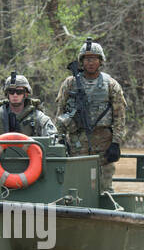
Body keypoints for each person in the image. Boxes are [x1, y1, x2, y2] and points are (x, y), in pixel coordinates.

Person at [54, 39, 127, 193]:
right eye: (87, 59)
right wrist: (60, 139)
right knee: (76, 188)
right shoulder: (70, 83)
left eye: (94, 58)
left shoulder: (111, 84)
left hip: (103, 143)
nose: (90, 62)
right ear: (81, 61)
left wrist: (116, 143)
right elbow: (60, 113)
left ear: (100, 61)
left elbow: (119, 117)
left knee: (104, 188)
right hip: (77, 143)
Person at [0, 72, 59, 144]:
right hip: (1, 160)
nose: (15, 95)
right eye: (11, 91)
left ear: (26, 94)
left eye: (19, 92)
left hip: (30, 160)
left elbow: (53, 139)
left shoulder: (37, 116)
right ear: (7, 94)